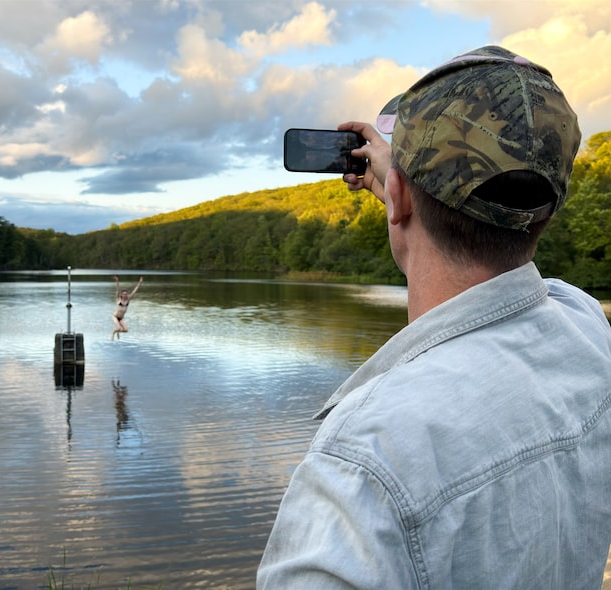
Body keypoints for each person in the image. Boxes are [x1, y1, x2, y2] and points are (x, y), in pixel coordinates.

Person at [258, 46, 611, 589]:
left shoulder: (365, 464)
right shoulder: (587, 333)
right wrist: (402, 197)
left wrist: (405, 203)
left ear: (397, 196)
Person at [111, 275, 143, 340]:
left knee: (126, 330)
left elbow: (134, 291)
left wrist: (139, 283)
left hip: (121, 318)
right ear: (121, 295)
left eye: (126, 294)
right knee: (119, 328)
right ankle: (113, 333)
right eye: (124, 294)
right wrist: (117, 281)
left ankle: (118, 331)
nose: (125, 295)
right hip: (115, 317)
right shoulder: (118, 299)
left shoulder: (128, 300)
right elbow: (117, 290)